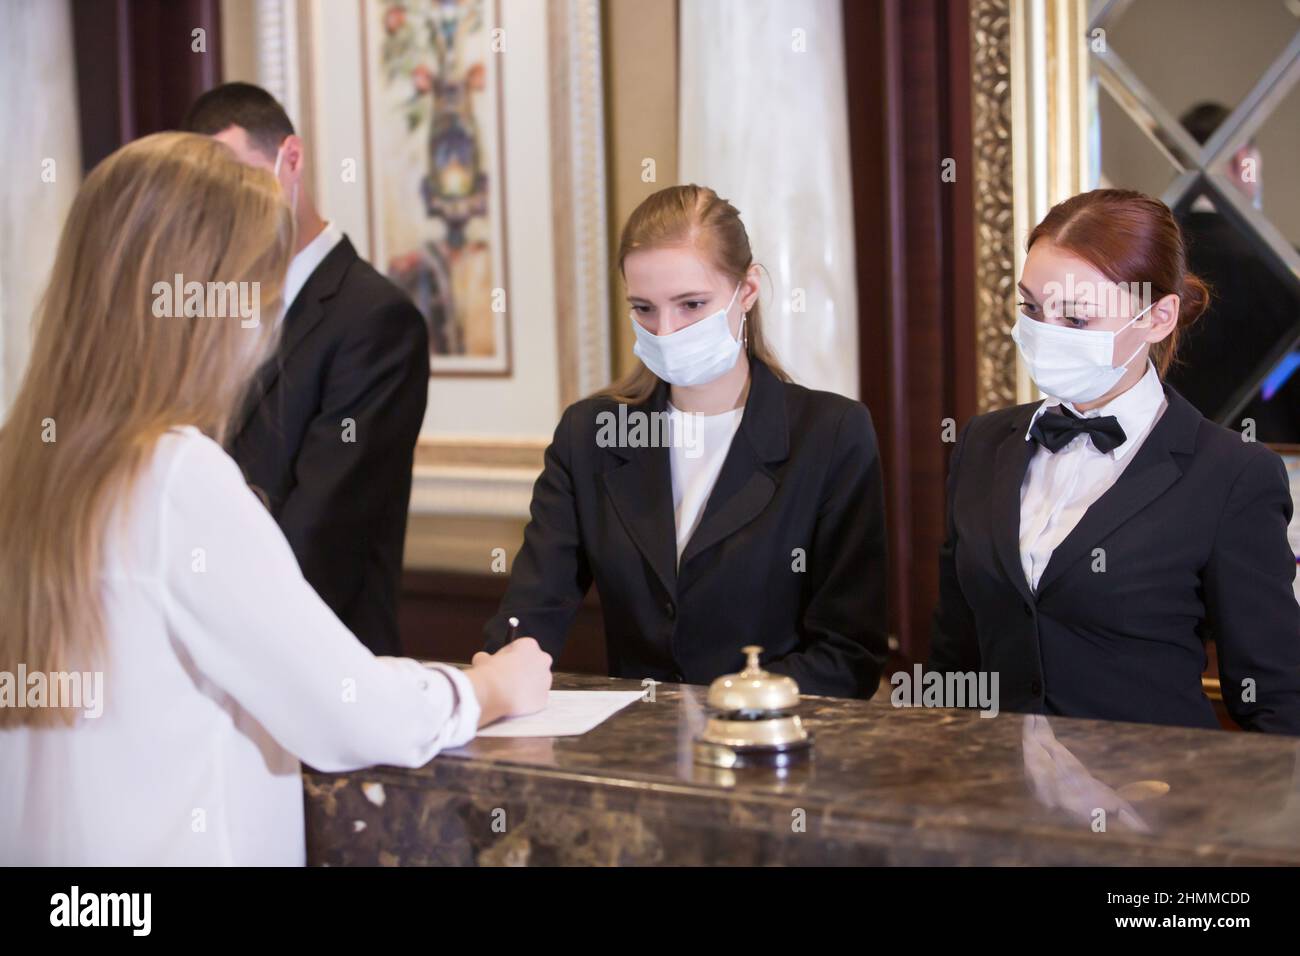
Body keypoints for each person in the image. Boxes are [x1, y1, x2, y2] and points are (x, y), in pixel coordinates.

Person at [0, 133, 551, 865]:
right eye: (260, 295)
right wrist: (485, 688)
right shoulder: (174, 478)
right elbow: (346, 708)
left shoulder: (22, 467)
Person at [483, 185, 888, 698]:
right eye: (644, 309)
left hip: (777, 751)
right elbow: (533, 610)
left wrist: (728, 708)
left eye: (691, 305)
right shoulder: (590, 434)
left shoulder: (830, 434)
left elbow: (848, 655)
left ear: (747, 290)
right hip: (636, 751)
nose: (666, 330)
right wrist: (492, 683)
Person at [929, 188, 1300, 734]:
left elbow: (1278, 697)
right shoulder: (983, 444)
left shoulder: (1231, 475)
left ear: (1158, 317)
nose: (1044, 333)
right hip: (993, 797)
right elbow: (953, 658)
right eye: (1031, 308)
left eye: (1076, 318)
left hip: (1155, 800)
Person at [182, 82, 427, 656]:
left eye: (240, 180)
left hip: (319, 662)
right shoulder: (207, 312)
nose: (225, 208)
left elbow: (319, 537)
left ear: (289, 160)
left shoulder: (375, 320)